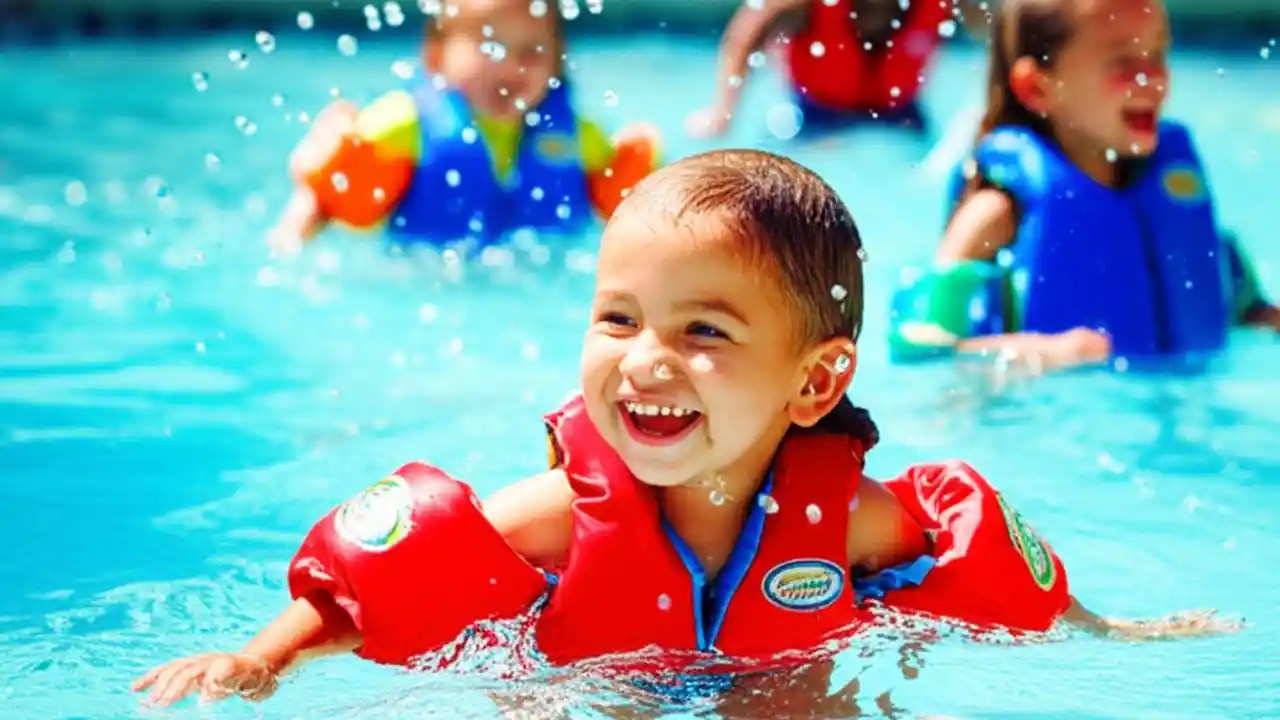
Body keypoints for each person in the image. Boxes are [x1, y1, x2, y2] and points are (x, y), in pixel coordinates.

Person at [136, 149, 1237, 709]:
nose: (644, 359)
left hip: (776, 672)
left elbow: (995, 573)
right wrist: (260, 656)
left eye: (702, 330)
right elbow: (378, 585)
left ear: (814, 384)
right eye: (617, 317)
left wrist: (1114, 635)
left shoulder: (844, 518)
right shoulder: (567, 511)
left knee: (807, 704)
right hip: (597, 678)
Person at [888, 0, 1279, 367]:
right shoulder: (997, 211)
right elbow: (924, 349)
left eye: (1157, 55)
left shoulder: (1173, 193)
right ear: (1038, 88)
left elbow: (1244, 305)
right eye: (1124, 61)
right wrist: (1036, 353)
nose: (1153, 80)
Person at [271, 0, 660, 253]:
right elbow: (323, 197)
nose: (511, 67)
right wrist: (289, 241)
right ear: (437, 55)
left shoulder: (578, 136)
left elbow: (635, 211)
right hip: (420, 275)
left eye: (532, 51)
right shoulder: (403, 122)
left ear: (557, 63)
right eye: (490, 47)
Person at [687, 0, 965, 138]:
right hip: (814, 119)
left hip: (902, 118)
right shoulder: (808, 5)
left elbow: (998, 28)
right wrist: (723, 111)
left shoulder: (938, 4)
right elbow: (748, 32)